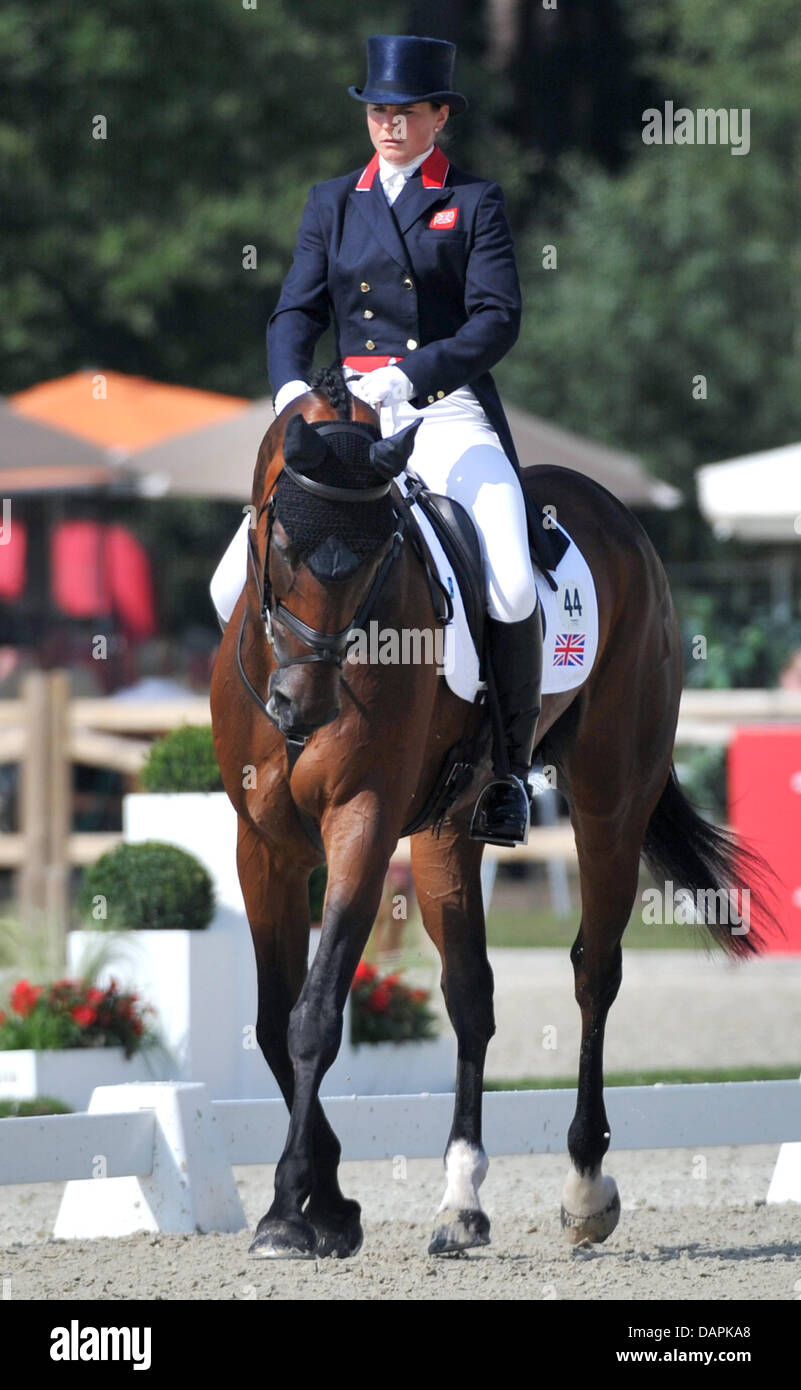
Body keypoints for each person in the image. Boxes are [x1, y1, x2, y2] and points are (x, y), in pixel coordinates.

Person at [211, 33, 543, 845]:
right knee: (230, 582)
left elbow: (497, 317)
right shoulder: (332, 200)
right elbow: (296, 311)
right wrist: (293, 391)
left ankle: (506, 770)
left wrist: (413, 375)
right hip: (342, 416)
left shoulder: (473, 201)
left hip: (444, 409)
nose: (389, 125)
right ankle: (269, 740)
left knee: (508, 584)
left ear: (438, 117)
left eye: (405, 112)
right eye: (378, 111)